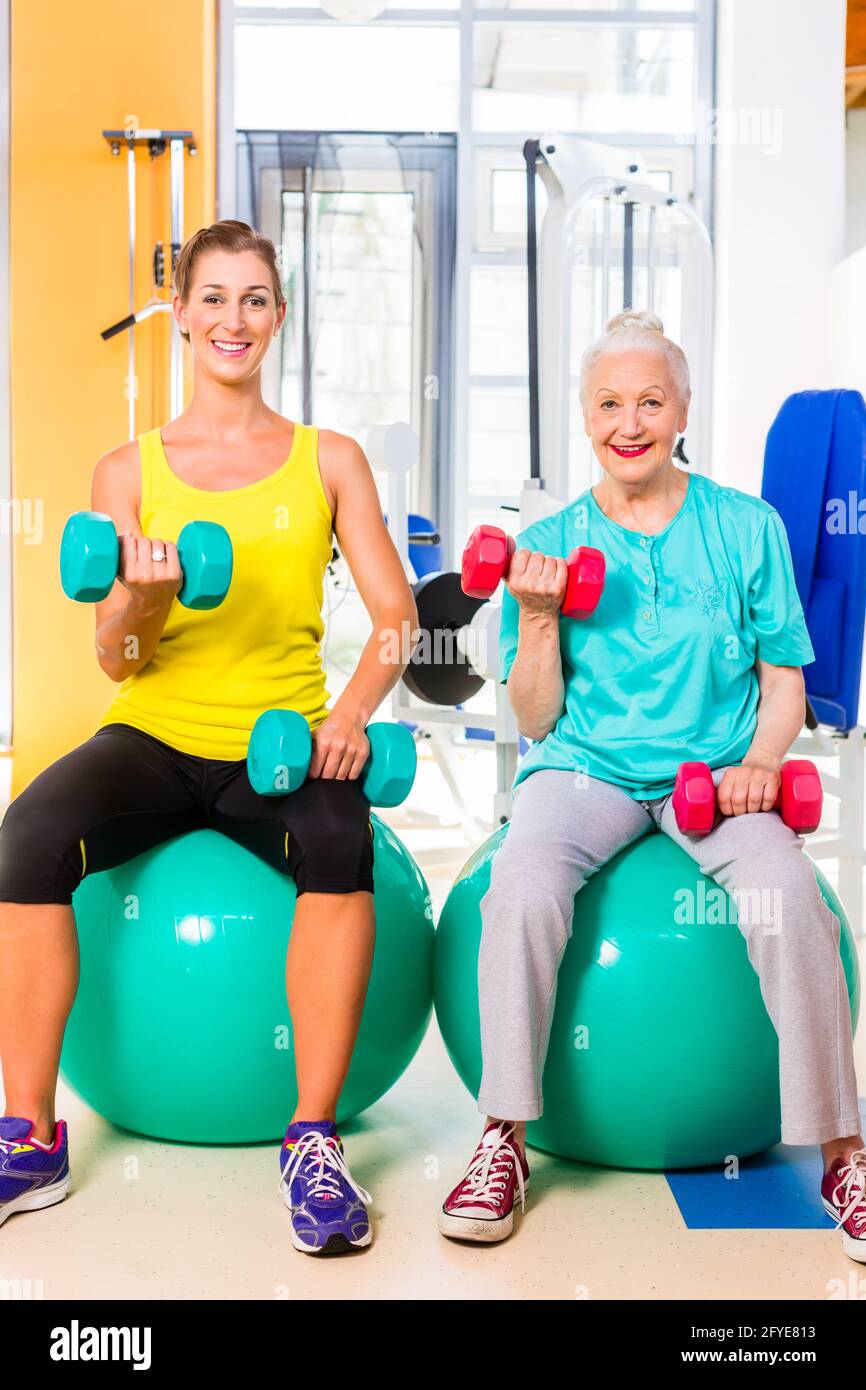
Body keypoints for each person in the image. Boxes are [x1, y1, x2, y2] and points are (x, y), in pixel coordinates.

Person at [0, 219, 417, 1256]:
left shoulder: (329, 461)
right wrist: (141, 601)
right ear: (179, 316)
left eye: (254, 299)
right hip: (152, 731)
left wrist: (347, 715)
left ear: (276, 317)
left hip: (277, 740)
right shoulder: (127, 471)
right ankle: (30, 1134)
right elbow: (116, 661)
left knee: (339, 841)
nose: (233, 318)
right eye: (214, 298)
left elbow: (396, 615)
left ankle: (312, 1140)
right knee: (24, 836)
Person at [438, 310, 866, 1261]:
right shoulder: (548, 541)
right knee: (519, 886)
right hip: (585, 767)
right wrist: (540, 616)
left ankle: (844, 1154)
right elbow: (538, 718)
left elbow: (784, 676)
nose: (627, 423)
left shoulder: (747, 527)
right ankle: (502, 1141)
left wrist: (760, 763)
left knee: (792, 897)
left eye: (649, 402)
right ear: (583, 418)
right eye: (607, 404)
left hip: (713, 777)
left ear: (681, 411)